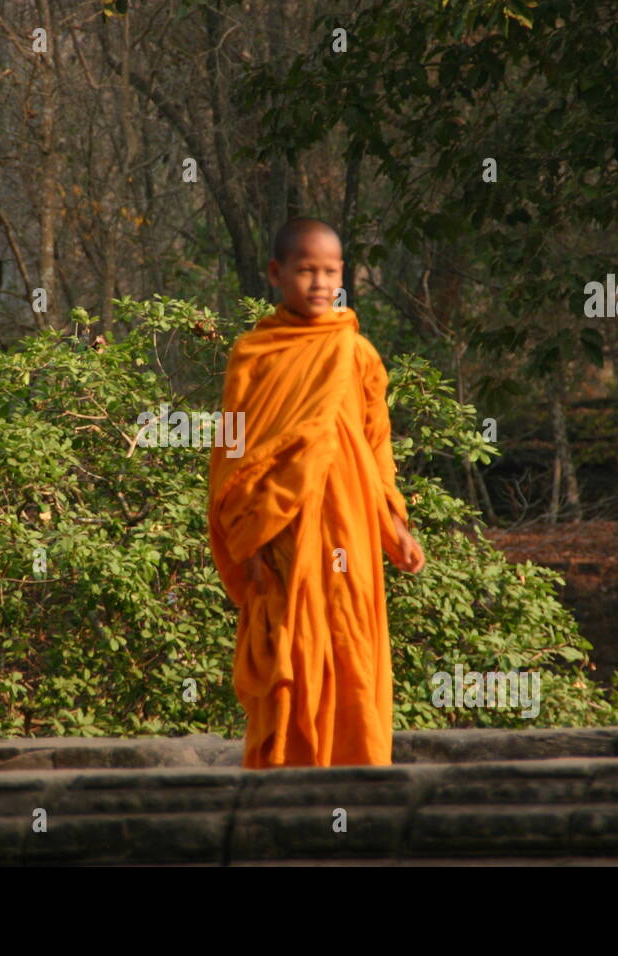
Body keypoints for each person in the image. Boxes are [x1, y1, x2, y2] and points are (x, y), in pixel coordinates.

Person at [207, 217, 426, 768]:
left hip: (349, 526)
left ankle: (358, 774)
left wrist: (394, 522)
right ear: (277, 274)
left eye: (331, 271)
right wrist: (244, 538)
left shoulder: (356, 353)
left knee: (351, 643)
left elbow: (377, 445)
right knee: (291, 648)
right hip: (281, 530)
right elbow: (232, 443)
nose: (321, 283)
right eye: (306, 271)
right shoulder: (255, 353)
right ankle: (289, 773)